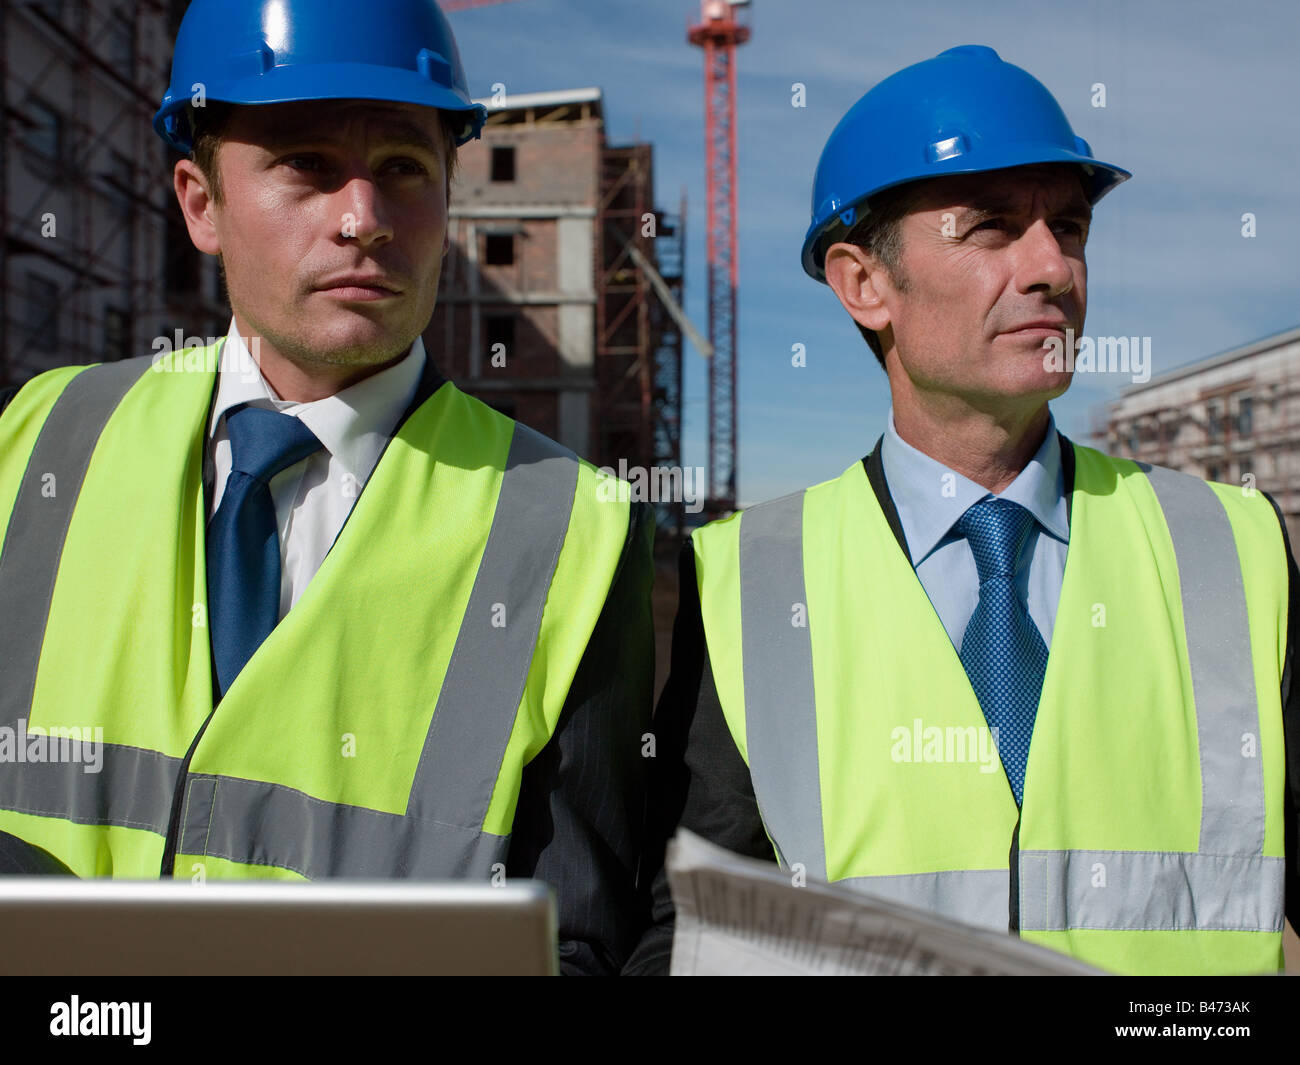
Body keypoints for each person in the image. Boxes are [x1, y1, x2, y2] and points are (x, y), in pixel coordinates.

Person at [0, 0, 654, 976]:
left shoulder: (571, 526)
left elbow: (571, 935)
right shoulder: (41, 436)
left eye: (402, 169)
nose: (363, 220)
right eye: (305, 166)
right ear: (199, 204)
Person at [625, 45, 1298, 976]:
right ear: (865, 285)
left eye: (1068, 226)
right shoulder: (748, 582)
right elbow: (685, 934)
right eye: (989, 228)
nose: (1051, 266)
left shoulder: (1235, 550)